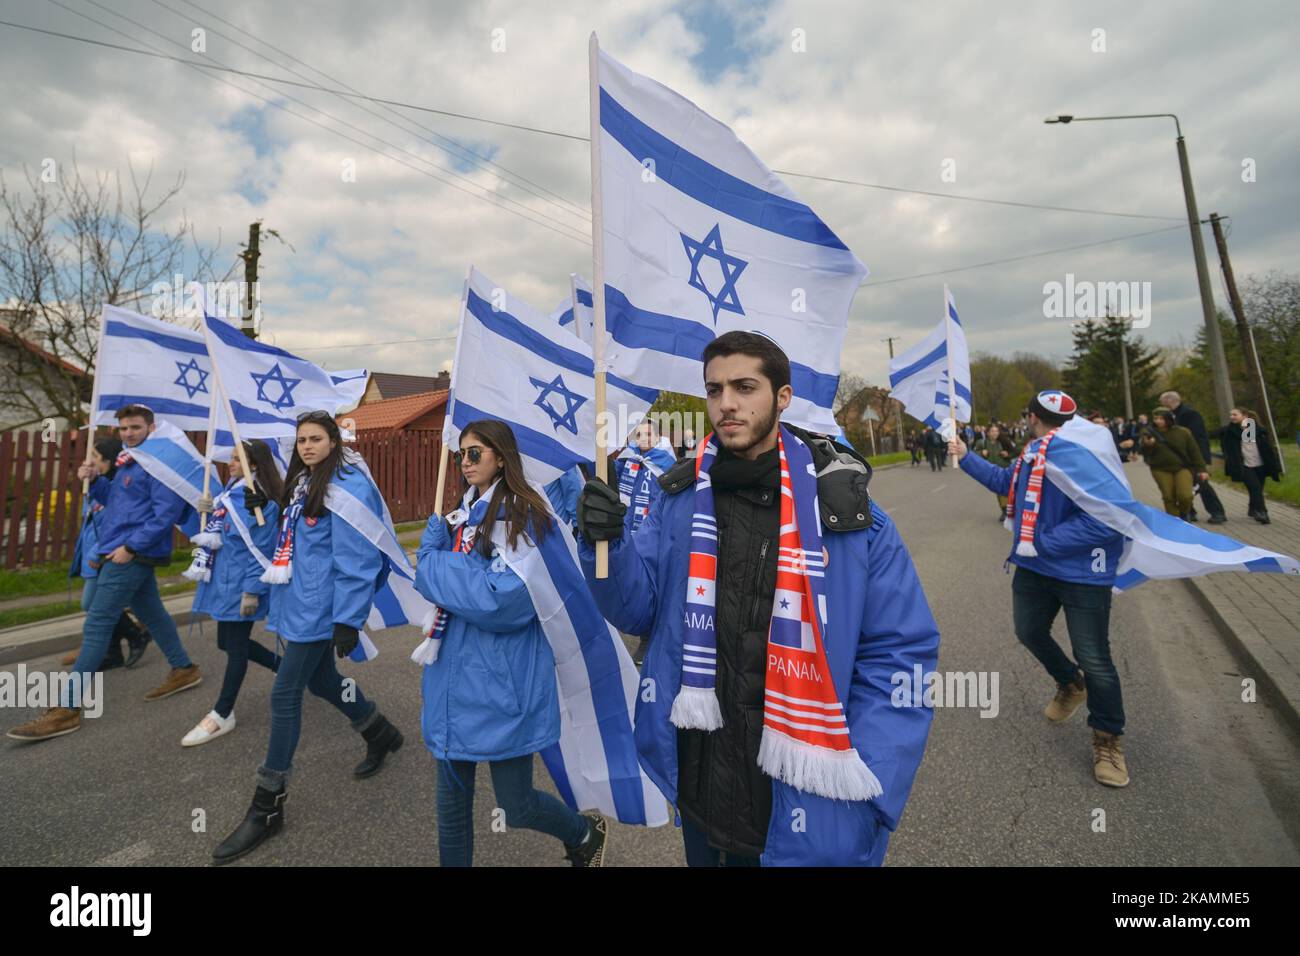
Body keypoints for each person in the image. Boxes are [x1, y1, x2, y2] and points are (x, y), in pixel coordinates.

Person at [576, 331, 940, 865]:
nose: (727, 403)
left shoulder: (846, 516)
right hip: (703, 778)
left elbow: (900, 655)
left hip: (803, 789)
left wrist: (867, 784)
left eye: (745, 386)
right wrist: (606, 546)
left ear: (783, 397)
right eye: (714, 389)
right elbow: (636, 609)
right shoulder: (679, 499)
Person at [413, 420, 610, 867]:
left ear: (501, 456)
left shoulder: (523, 514)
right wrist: (446, 564)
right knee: (451, 810)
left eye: (475, 453)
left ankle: (582, 833)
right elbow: (477, 587)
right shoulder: (459, 518)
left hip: (503, 684)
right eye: (461, 454)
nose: (465, 463)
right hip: (449, 680)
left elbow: (503, 601)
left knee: (516, 805)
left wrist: (430, 565)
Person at [211, 411, 404, 865]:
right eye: (301, 440)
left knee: (284, 695)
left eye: (316, 438)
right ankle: (381, 732)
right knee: (321, 682)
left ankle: (267, 805)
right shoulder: (304, 483)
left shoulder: (347, 487)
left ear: (334, 441)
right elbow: (289, 542)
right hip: (298, 605)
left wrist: (348, 619)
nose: (307, 446)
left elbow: (356, 560)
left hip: (321, 611)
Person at [950, 390, 1130, 787]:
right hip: (1036, 569)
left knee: (1095, 658)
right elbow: (1005, 482)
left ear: (1031, 416)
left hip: (1083, 573)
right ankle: (1069, 682)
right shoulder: (1035, 452)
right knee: (1028, 630)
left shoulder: (1083, 455)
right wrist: (964, 455)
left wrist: (1040, 540)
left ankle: (1107, 740)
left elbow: (1106, 520)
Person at [9, 404, 203, 742]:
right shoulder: (131, 460)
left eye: (135, 427)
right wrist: (95, 480)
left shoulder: (158, 465)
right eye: (124, 428)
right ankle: (184, 668)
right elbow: (116, 500)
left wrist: (131, 548)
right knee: (152, 614)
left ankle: (66, 709)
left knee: (97, 624)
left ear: (151, 427)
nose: (128, 433)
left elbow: (164, 514)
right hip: (120, 549)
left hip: (130, 555)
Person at [180, 440, 283, 747]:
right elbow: (216, 536)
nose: (231, 463)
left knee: (235, 647)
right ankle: (287, 668)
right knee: (225, 641)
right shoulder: (229, 494)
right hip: (224, 584)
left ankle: (223, 713)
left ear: (254, 466)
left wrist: (252, 591)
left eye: (238, 459)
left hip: (240, 587)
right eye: (232, 459)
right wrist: (207, 512)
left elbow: (261, 549)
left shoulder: (259, 502)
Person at [60, 436, 151, 672]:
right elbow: (90, 524)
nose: (90, 461)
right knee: (113, 606)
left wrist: (95, 554)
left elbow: (109, 527)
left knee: (91, 604)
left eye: (96, 457)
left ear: (110, 461)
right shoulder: (94, 484)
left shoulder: (117, 488)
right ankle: (113, 651)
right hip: (93, 553)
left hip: (105, 555)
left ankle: (134, 635)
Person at [1160, 391, 1226, 524]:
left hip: (1194, 456)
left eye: (1162, 402)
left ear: (1169, 401)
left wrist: (1200, 459)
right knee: (1183, 484)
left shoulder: (1189, 414)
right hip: (1179, 457)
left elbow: (1196, 437)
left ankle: (1217, 512)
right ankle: (1189, 511)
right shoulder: (1174, 415)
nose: (1161, 405)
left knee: (1201, 484)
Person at [1213, 408, 1282, 524]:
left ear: (1244, 415)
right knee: (1255, 487)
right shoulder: (1230, 430)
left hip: (1260, 464)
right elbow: (1215, 434)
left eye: (1235, 414)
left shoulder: (1257, 429)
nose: (1232, 417)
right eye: (1231, 415)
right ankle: (1262, 512)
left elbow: (1266, 445)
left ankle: (1252, 508)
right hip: (1244, 465)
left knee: (1258, 488)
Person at [1137, 408, 1207, 520]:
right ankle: (1174, 521)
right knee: (1169, 496)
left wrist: (1202, 470)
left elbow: (1194, 452)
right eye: (1156, 418)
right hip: (1160, 468)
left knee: (1185, 495)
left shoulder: (1183, 432)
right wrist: (1148, 445)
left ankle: (1184, 513)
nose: (1158, 421)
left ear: (1169, 418)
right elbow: (1143, 452)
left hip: (1182, 467)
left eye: (1161, 418)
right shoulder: (1148, 432)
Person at [973, 424, 1013, 517]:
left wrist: (1007, 454)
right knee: (998, 491)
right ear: (987, 433)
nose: (995, 433)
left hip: (1004, 469)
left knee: (1003, 490)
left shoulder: (1003, 442)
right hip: (990, 470)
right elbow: (973, 453)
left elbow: (1014, 452)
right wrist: (981, 453)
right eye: (992, 431)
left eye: (996, 431)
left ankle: (1006, 511)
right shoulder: (982, 443)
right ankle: (1005, 510)